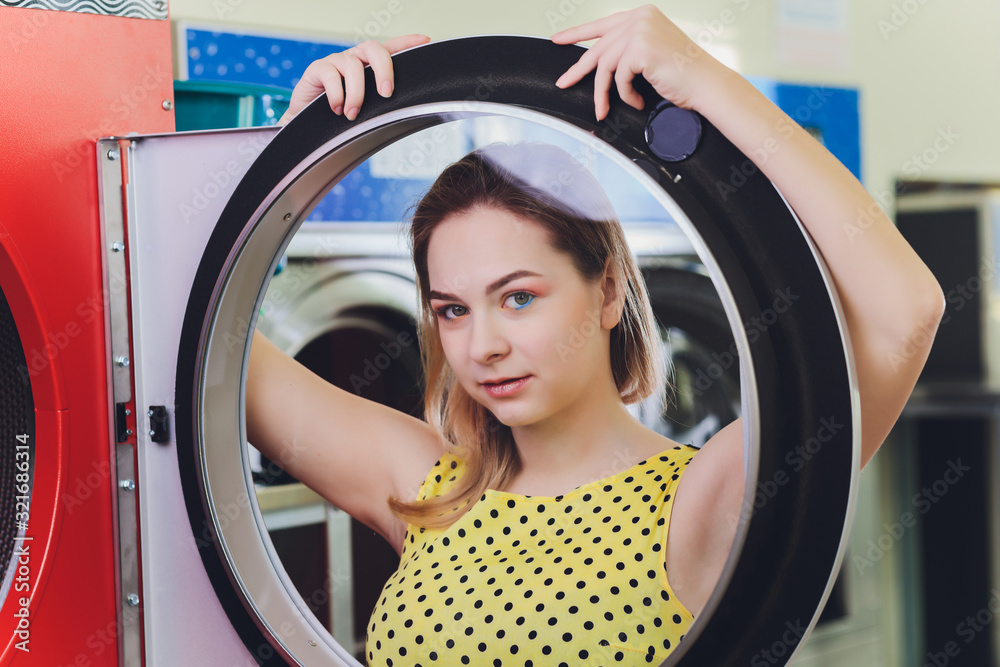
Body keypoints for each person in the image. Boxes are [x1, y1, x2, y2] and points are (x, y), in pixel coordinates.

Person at [248, 5, 946, 665]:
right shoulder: (429, 486)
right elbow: (214, 361)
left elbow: (904, 311)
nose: (481, 345)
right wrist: (293, 159)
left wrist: (707, 80)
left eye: (518, 297)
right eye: (452, 309)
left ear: (608, 290)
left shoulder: (700, 501)